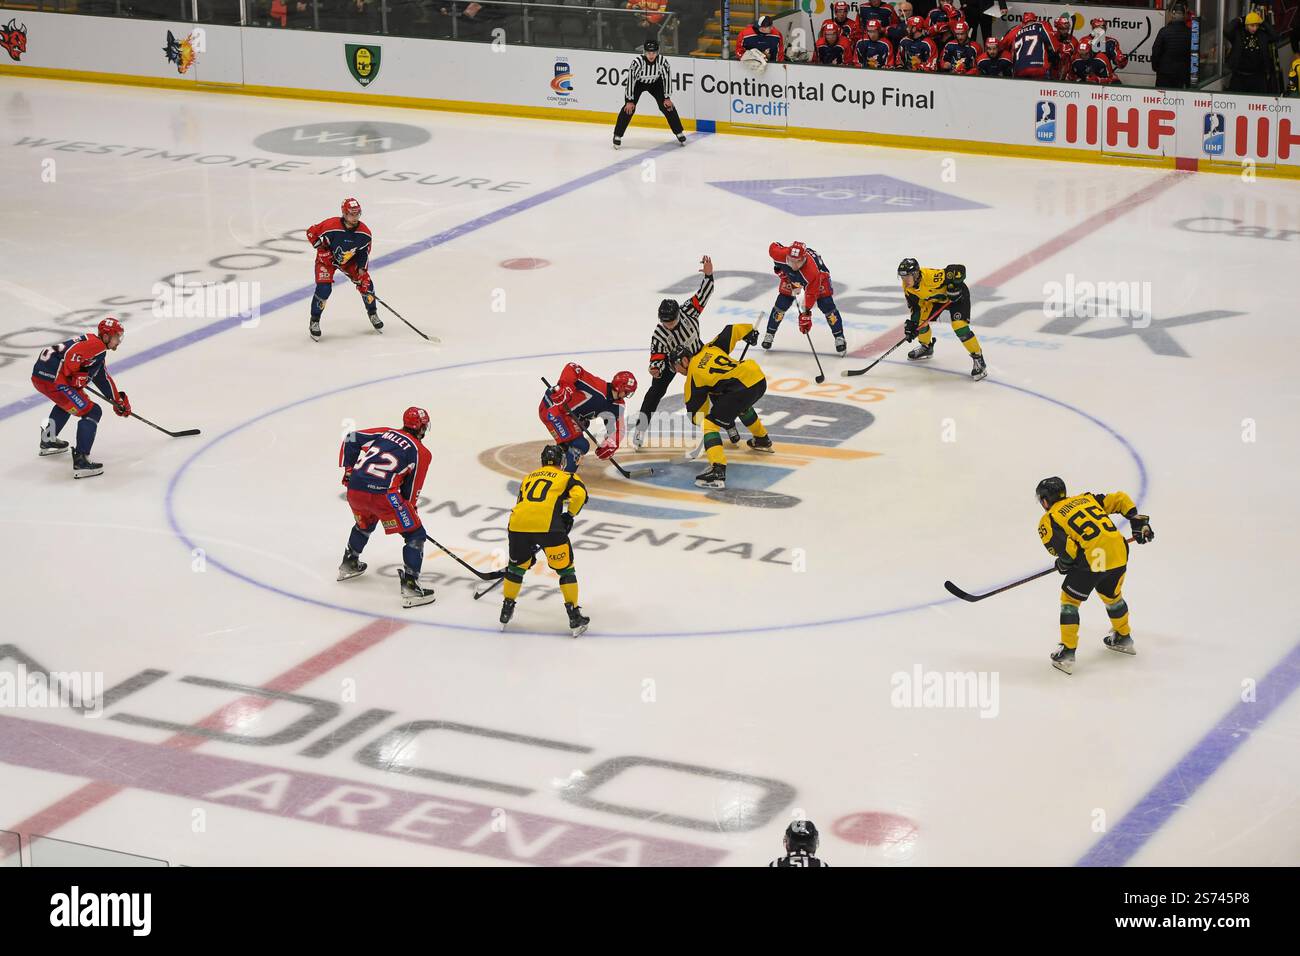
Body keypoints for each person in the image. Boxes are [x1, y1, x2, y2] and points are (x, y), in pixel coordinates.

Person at [1035, 477, 1153, 675]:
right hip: (1119, 550)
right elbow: (1121, 499)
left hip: (1095, 557)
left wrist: (1064, 562)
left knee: (1070, 601)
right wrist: (1135, 520)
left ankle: (1067, 653)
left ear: (1045, 501)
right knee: (1112, 596)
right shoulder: (1087, 499)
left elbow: (1068, 551)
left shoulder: (1050, 519)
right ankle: (1123, 636)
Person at [632, 255, 737, 450]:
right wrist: (655, 369)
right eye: (665, 322)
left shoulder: (688, 310)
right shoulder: (659, 334)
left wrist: (708, 274)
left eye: (671, 322)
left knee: (716, 387)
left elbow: (704, 294)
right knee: (655, 392)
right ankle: (640, 429)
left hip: (698, 357)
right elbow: (656, 358)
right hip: (673, 364)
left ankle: (729, 424)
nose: (668, 326)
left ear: (678, 314)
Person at [337, 406, 436, 609]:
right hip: (383, 495)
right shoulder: (421, 452)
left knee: (365, 523)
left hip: (355, 489)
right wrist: (410, 512)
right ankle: (410, 586)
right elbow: (412, 488)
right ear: (423, 428)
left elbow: (351, 438)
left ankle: (349, 562)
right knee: (415, 534)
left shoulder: (385, 432)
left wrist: (349, 471)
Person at [499, 444, 591, 638]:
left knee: (516, 568)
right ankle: (574, 615)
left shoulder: (528, 477)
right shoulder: (567, 476)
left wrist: (528, 540)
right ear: (562, 461)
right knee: (566, 569)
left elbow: (521, 503)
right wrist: (569, 515)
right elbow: (580, 495)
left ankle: (506, 610)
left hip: (517, 526)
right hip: (550, 527)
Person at [673, 323, 772, 490]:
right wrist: (749, 332)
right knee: (737, 404)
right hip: (757, 378)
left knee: (710, 424)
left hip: (741, 389)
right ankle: (762, 439)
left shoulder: (692, 377)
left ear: (683, 360)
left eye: (675, 367)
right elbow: (731, 330)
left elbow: (696, 415)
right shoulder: (710, 348)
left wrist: (716, 416)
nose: (676, 371)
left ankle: (717, 470)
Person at [30, 317, 130, 479]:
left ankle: (48, 440)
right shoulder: (97, 346)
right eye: (116, 336)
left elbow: (101, 377)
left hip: (41, 376)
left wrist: (116, 399)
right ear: (106, 337)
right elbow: (71, 355)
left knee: (68, 403)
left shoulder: (95, 349)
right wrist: (74, 374)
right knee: (92, 412)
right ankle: (81, 461)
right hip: (54, 379)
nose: (119, 340)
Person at [897, 258, 986, 381]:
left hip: (956, 299)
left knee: (959, 326)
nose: (905, 281)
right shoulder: (908, 287)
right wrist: (913, 325)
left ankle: (978, 359)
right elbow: (916, 307)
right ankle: (926, 347)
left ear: (916, 274)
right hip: (935, 301)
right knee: (920, 324)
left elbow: (959, 270)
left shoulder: (931, 277)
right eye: (902, 278)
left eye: (907, 277)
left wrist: (954, 286)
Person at [306, 197, 381, 341]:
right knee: (324, 289)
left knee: (366, 284)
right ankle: (314, 320)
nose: (355, 217)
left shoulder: (364, 233)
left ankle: (372, 313)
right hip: (326, 262)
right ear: (344, 213)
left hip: (348, 261)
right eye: (351, 214)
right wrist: (321, 250)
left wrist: (361, 272)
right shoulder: (331, 225)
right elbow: (311, 232)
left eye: (357, 213)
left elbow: (363, 254)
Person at [539, 363, 637, 472]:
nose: (627, 395)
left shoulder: (617, 405)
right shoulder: (597, 387)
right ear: (620, 387)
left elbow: (619, 430)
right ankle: (563, 476)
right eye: (627, 391)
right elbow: (572, 367)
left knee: (583, 425)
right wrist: (565, 388)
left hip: (567, 415)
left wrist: (611, 444)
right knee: (580, 445)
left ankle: (558, 455)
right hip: (552, 408)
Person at [763, 242, 848, 355]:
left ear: (803, 259)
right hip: (792, 277)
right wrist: (779, 270)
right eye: (790, 260)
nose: (793, 265)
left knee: (826, 304)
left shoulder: (812, 272)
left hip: (820, 278)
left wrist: (806, 314)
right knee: (782, 303)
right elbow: (774, 246)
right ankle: (769, 334)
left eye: (797, 261)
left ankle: (839, 337)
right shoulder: (780, 254)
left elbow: (811, 294)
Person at [612, 38, 685, 149]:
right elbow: (631, 80)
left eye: (654, 53)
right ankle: (617, 135)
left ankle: (679, 132)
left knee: (667, 106)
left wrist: (667, 97)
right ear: (644, 52)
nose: (651, 55)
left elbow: (667, 78)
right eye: (648, 53)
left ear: (657, 52)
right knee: (629, 108)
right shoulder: (637, 63)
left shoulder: (662, 62)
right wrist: (629, 101)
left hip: (656, 83)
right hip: (638, 83)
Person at [1226, 10, 1280, 94]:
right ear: (1246, 25)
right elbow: (1227, 31)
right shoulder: (1238, 34)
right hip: (1239, 76)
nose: (1255, 28)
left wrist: (1262, 22)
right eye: (1252, 25)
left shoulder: (1262, 35)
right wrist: (1241, 19)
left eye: (1257, 25)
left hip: (1258, 77)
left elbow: (1275, 36)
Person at [1001, 11, 1060, 79]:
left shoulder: (1017, 32)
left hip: (1019, 69)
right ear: (1035, 20)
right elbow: (1053, 44)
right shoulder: (1041, 25)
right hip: (1039, 67)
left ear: (1023, 22)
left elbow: (1003, 47)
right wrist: (1056, 54)